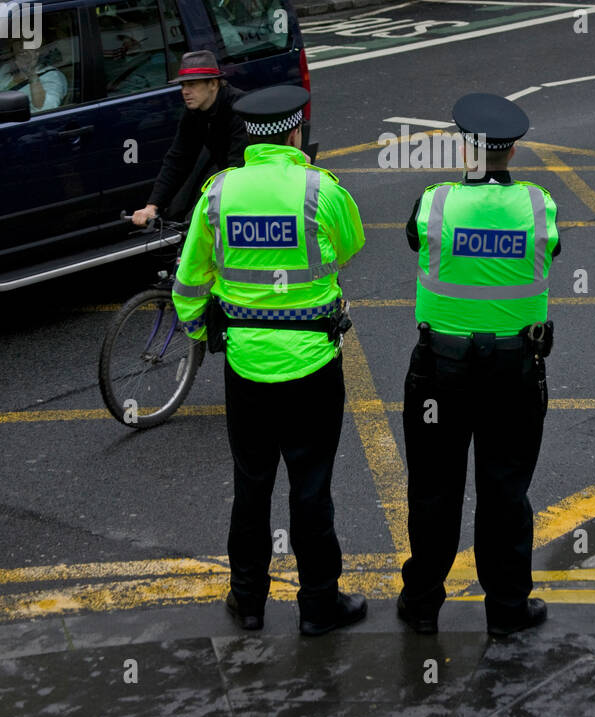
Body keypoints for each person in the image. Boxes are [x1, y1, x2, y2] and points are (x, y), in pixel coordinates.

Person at [171, 85, 367, 636]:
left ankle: (250, 600)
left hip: (246, 368)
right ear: (294, 133)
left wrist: (204, 330)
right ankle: (318, 606)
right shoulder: (319, 189)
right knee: (311, 486)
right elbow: (349, 245)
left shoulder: (217, 193)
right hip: (312, 367)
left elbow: (189, 282)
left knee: (251, 484)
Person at [397, 92, 560, 637]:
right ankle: (507, 610)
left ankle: (422, 604)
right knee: (505, 490)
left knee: (433, 489)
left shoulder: (435, 202)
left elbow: (415, 238)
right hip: (513, 370)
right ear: (512, 154)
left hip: (440, 370)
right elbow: (551, 249)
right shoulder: (539, 205)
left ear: (468, 148)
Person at [131, 50, 246, 226]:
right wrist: (152, 206)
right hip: (225, 172)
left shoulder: (238, 108)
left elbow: (237, 166)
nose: (185, 91)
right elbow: (178, 158)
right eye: (183, 86)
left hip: (249, 180)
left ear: (213, 84)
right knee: (182, 212)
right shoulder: (194, 112)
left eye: (191, 84)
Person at [0, 35, 67, 113]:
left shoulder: (52, 75)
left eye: (28, 41)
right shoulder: (6, 68)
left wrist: (31, 74)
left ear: (39, 51)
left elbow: (45, 109)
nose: (22, 45)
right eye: (17, 40)